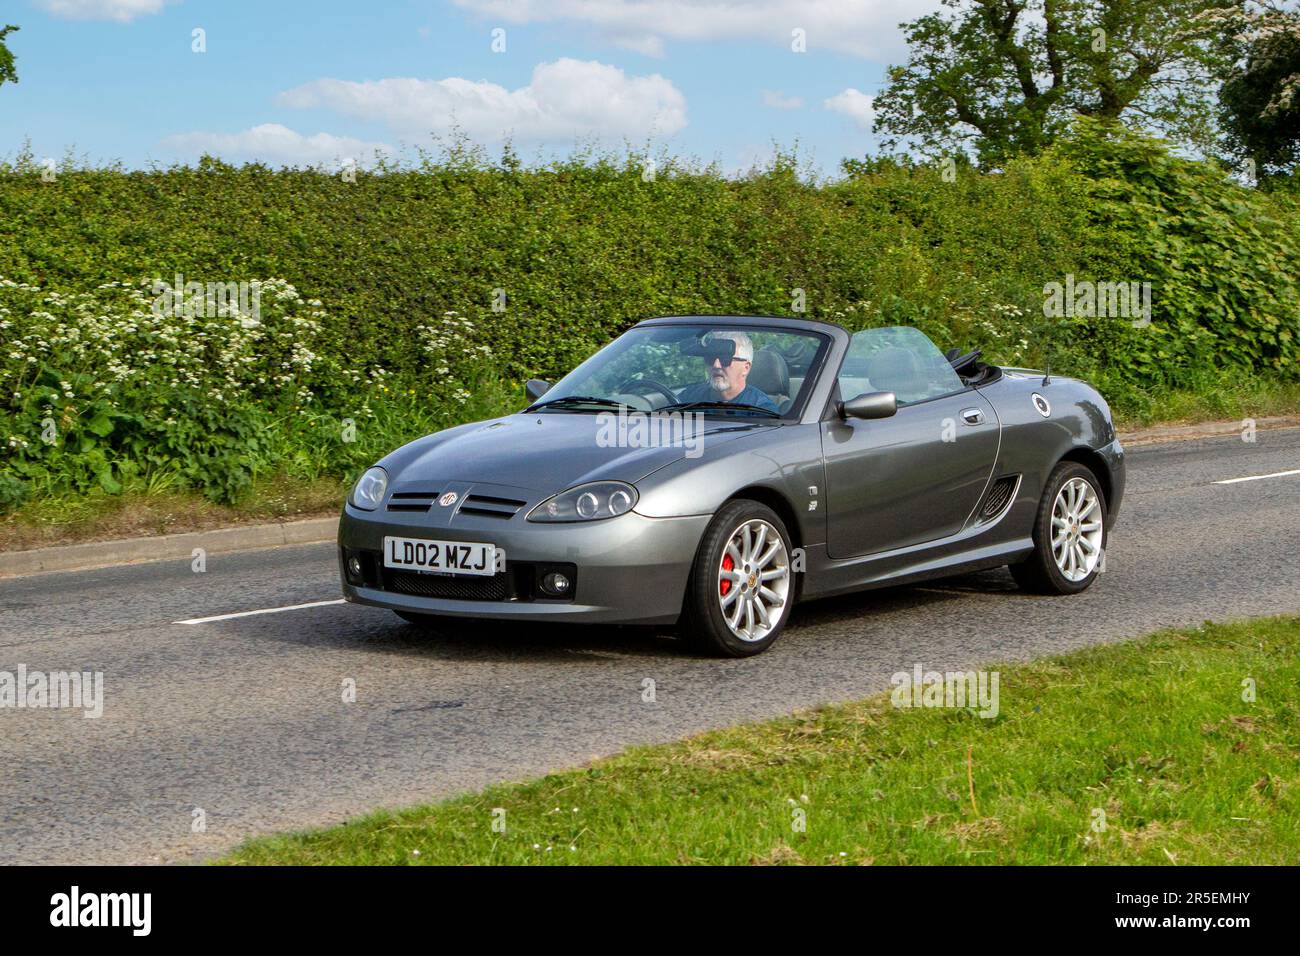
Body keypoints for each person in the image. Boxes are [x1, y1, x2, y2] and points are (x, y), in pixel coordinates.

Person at [674, 331, 780, 413]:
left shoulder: (762, 410)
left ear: (746, 368)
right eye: (710, 358)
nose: (716, 365)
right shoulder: (689, 397)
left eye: (725, 359)